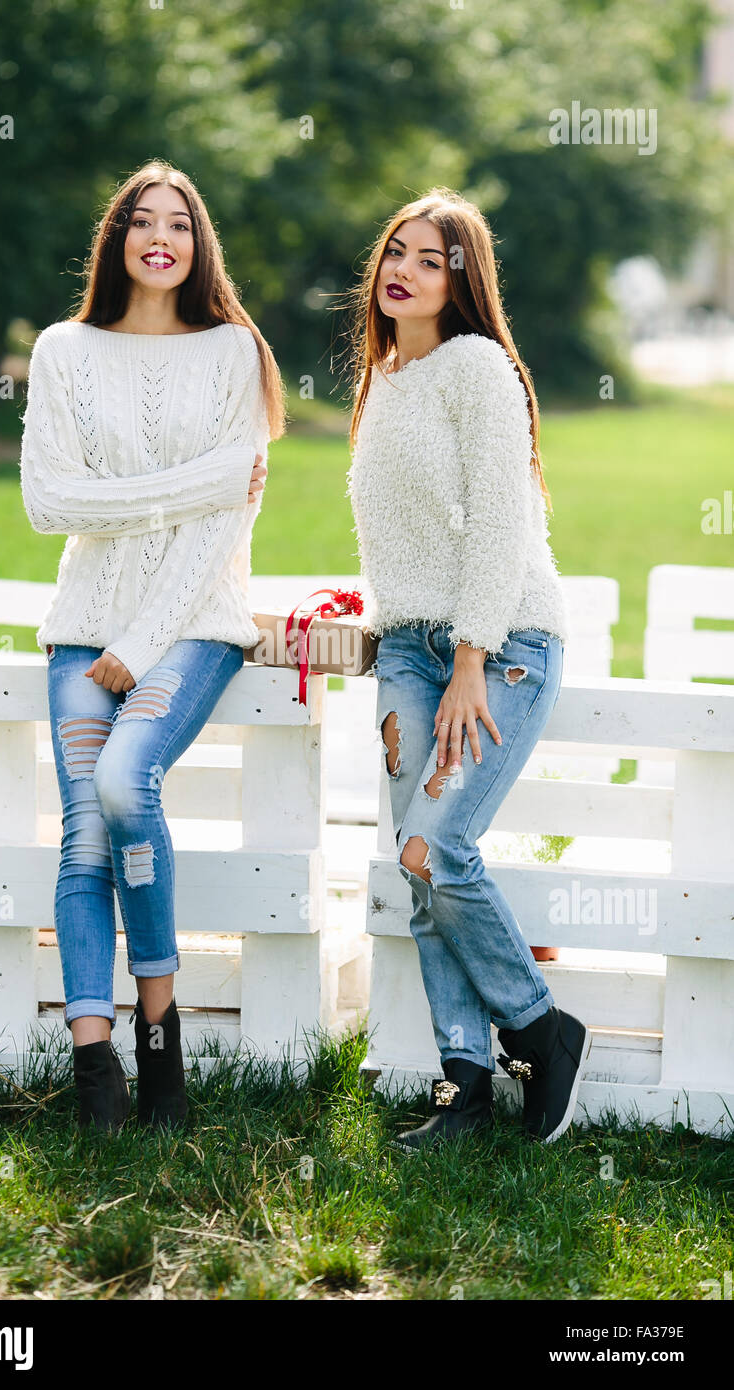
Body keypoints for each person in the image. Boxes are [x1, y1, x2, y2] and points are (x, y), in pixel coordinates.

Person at [19, 160, 284, 1135]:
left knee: (128, 784)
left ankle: (160, 1033)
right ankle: (96, 1068)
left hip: (193, 630)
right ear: (118, 238)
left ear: (199, 241)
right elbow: (49, 503)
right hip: (80, 627)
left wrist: (139, 642)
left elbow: (226, 526)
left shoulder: (232, 355)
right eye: (142, 219)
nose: (160, 235)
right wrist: (190, 486)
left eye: (179, 221)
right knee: (85, 834)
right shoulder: (63, 349)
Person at [345, 188, 590, 1150]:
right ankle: (464, 1084)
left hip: (501, 642)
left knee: (436, 848)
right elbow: (403, 535)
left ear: (462, 280)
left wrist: (472, 660)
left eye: (431, 258)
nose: (403, 268)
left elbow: (500, 522)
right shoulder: (386, 380)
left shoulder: (476, 368)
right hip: (407, 644)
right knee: (418, 867)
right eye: (395, 251)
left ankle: (537, 1028)